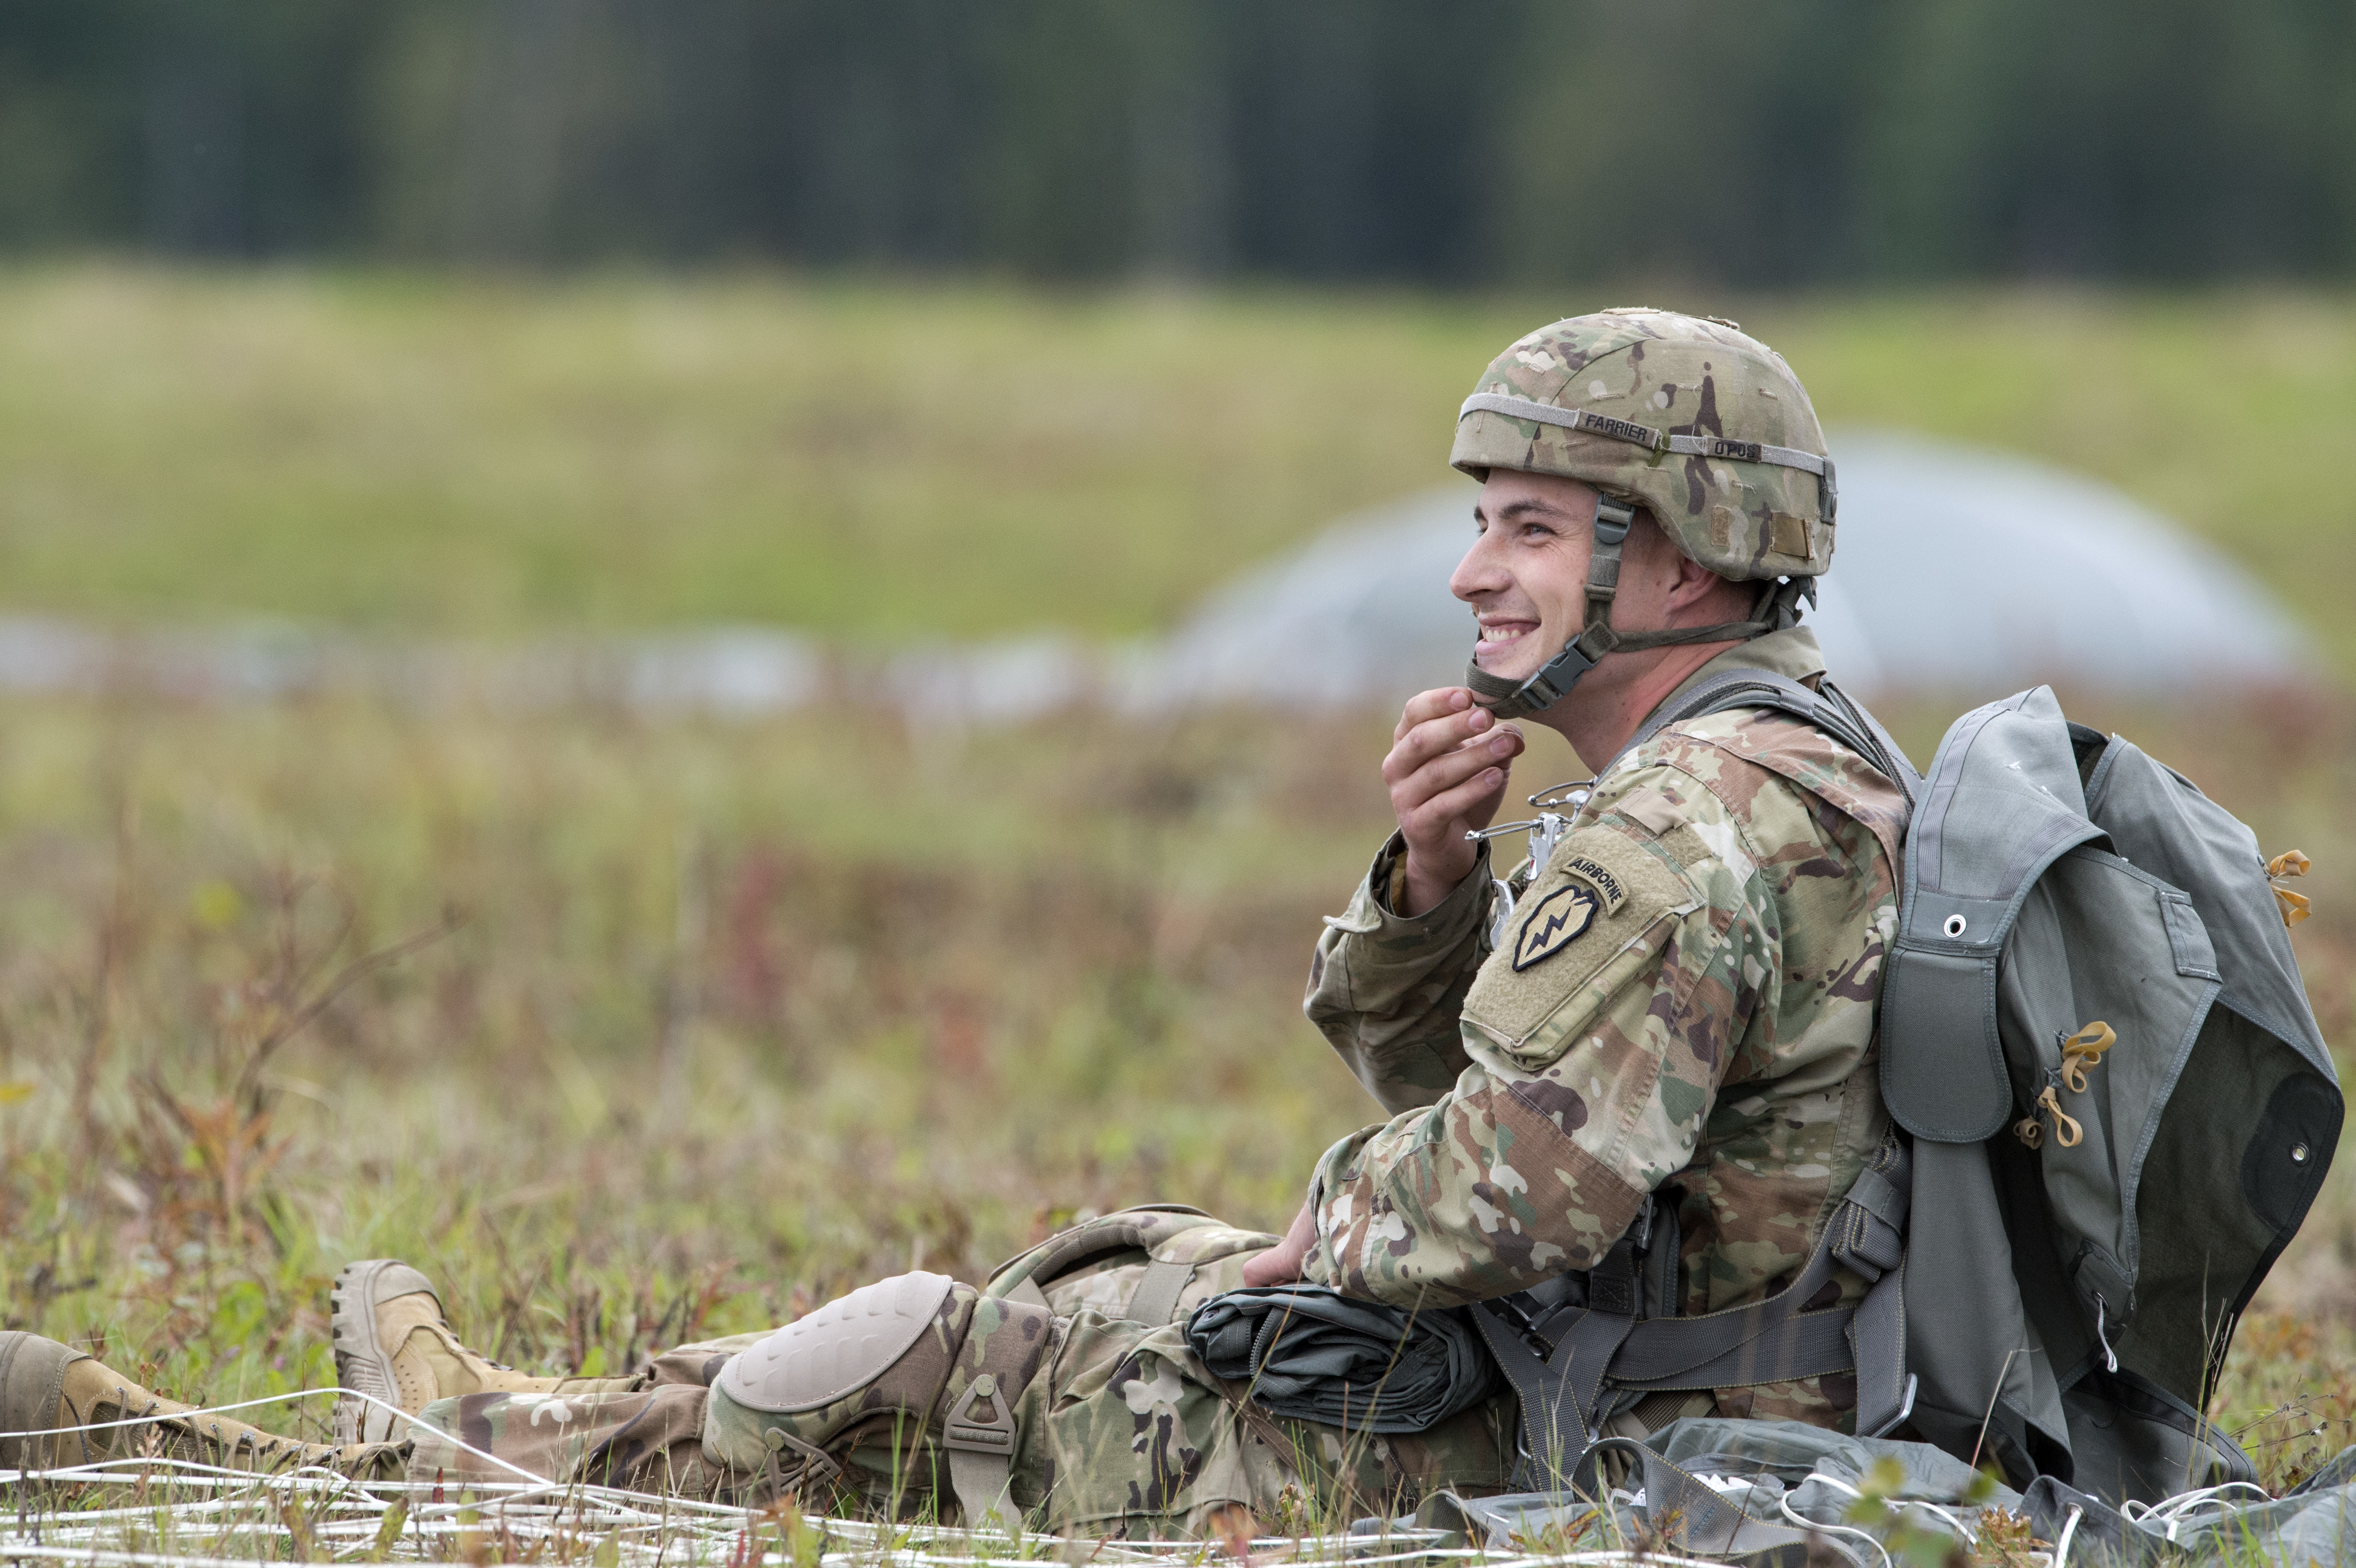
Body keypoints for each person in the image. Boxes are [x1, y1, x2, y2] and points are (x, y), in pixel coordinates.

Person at [0, 307, 1897, 1534]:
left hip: (1530, 1457)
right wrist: (1431, 896)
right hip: (1639, 1409)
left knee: (936, 1356)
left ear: (1673, 555)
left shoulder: (1674, 830)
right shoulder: (1808, 775)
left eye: (1531, 529)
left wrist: (1312, 1235)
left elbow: (1519, 1198)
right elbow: (1603, 1135)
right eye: (1481, 517)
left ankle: (269, 1475)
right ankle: (506, 1423)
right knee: (1043, 1315)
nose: (1470, 571)